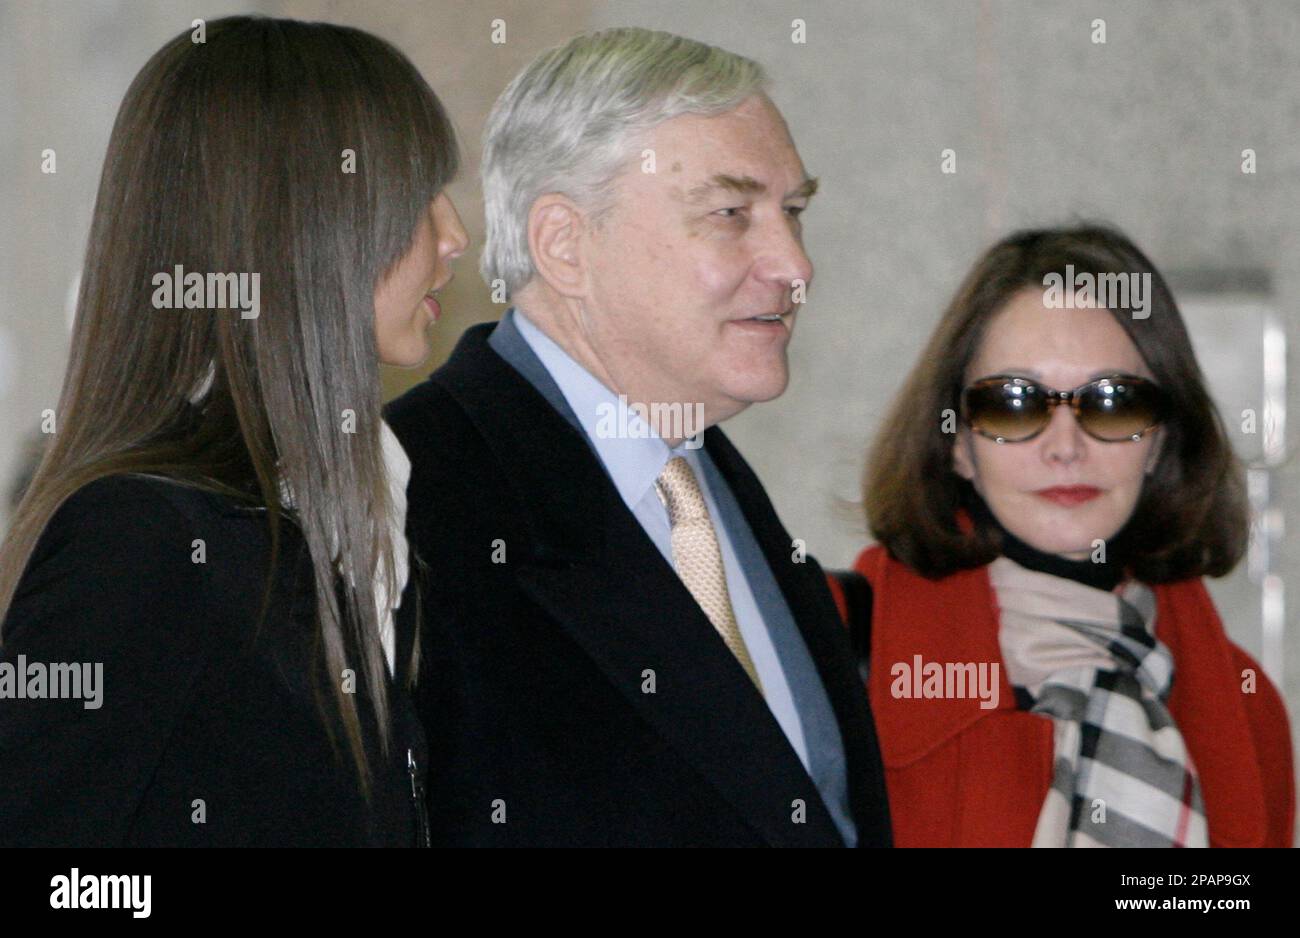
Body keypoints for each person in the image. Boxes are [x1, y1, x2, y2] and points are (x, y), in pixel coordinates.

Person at [386, 27, 891, 846]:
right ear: (565, 244)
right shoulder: (409, 499)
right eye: (731, 213)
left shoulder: (709, 473)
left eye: (793, 212)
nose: (794, 264)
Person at [0, 15, 468, 846]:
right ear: (302, 223)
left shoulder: (350, 524)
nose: (455, 238)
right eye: (417, 195)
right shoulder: (141, 536)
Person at [831, 224, 1293, 847]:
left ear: (1159, 440)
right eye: (1015, 404)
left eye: (1112, 403)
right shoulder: (834, 651)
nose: (1066, 448)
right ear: (958, 443)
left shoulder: (1247, 709)